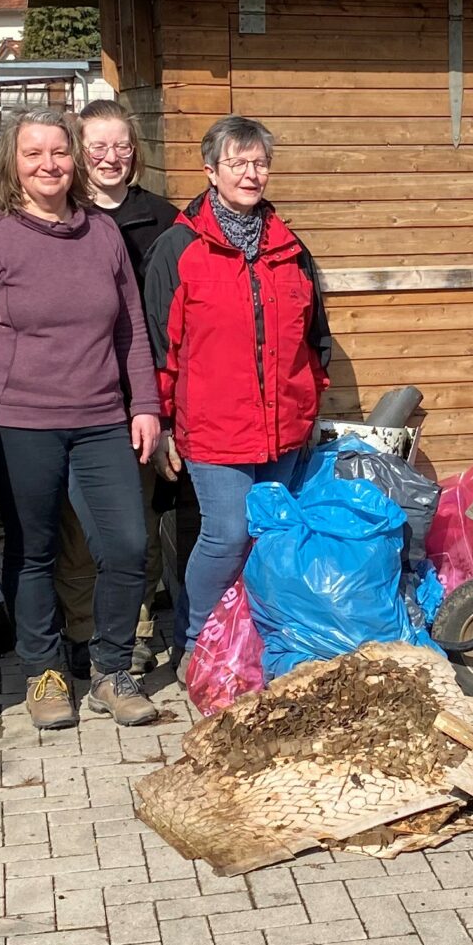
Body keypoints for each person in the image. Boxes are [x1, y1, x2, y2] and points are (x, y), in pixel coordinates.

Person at [0, 109, 166, 731]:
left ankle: (111, 668)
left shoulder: (102, 233)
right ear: (11, 162)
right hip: (21, 422)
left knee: (127, 546)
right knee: (34, 550)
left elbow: (131, 329)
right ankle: (44, 670)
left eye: (59, 152)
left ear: (75, 159)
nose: (48, 164)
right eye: (33, 153)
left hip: (101, 417)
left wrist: (144, 403)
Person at [142, 115, 331, 654]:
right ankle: (198, 644)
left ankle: (254, 641)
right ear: (211, 171)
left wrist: (310, 402)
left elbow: (315, 337)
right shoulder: (179, 248)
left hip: (284, 426)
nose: (251, 174)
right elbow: (160, 349)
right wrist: (164, 424)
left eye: (260, 163)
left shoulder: (289, 248)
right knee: (227, 536)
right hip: (214, 428)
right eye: (238, 163)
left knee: (270, 538)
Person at [53, 101, 190, 667]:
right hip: (80, 395)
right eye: (98, 147)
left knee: (141, 522)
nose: (111, 158)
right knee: (80, 528)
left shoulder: (165, 220)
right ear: (78, 152)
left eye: (122, 147)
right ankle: (82, 629)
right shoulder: (59, 214)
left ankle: (133, 629)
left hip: (145, 395)